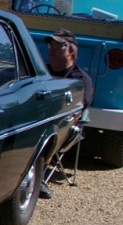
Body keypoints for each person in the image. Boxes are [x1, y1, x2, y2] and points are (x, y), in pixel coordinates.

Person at [40, 28, 94, 199]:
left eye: (58, 46)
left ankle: (37, 177)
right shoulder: (41, 72)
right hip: (39, 118)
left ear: (71, 51)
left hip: (65, 125)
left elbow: (78, 108)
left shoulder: (80, 79)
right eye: (50, 46)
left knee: (50, 127)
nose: (51, 49)